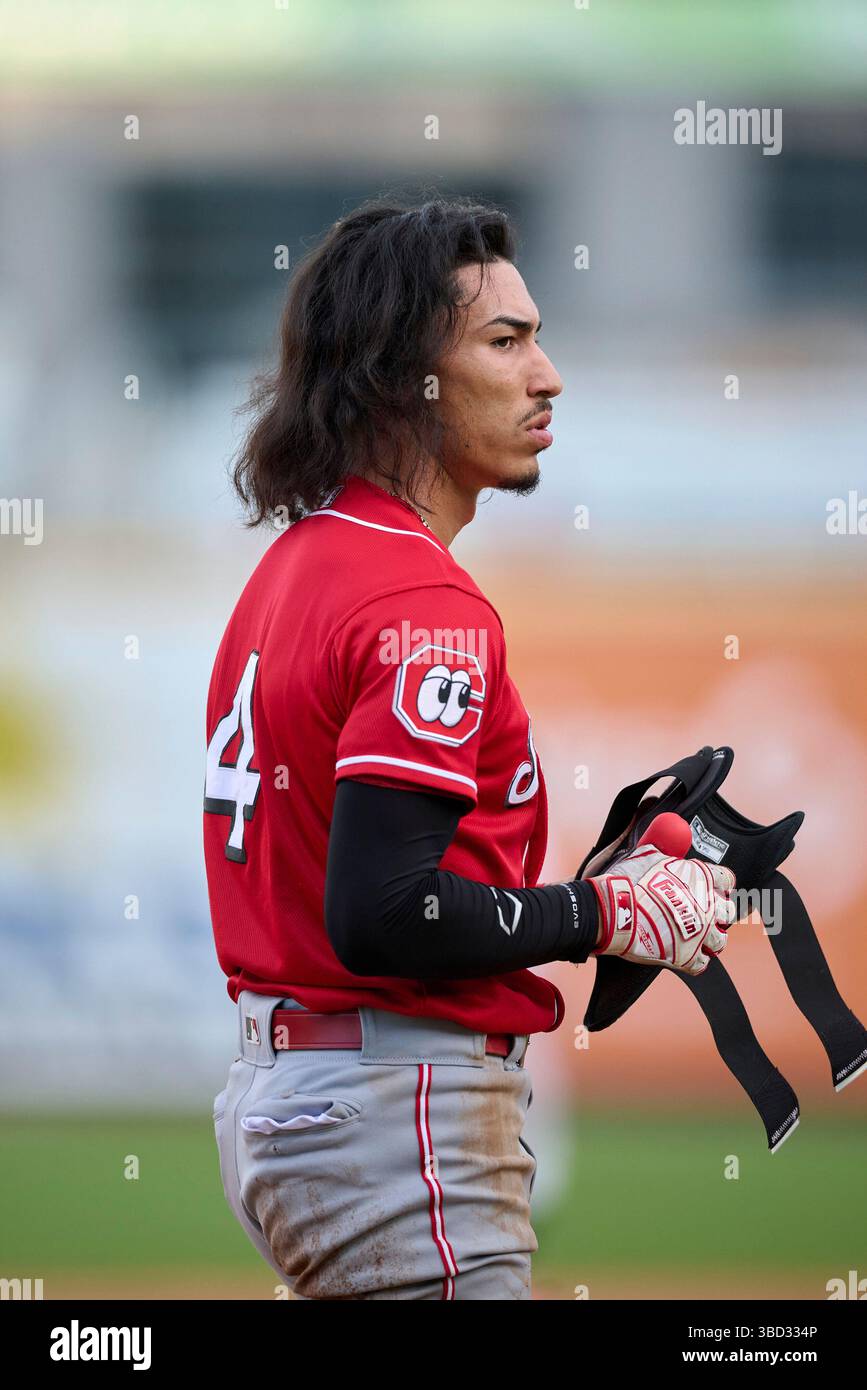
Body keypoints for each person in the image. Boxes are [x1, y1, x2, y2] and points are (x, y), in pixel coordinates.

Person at [203, 197, 736, 1300]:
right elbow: (382, 910)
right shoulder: (419, 595)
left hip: (312, 1090)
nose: (548, 374)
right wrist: (601, 916)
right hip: (396, 1109)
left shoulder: (298, 563)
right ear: (407, 376)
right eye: (506, 341)